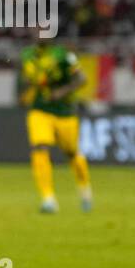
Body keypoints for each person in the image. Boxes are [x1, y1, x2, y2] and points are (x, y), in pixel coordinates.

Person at [18, 43, 91, 213]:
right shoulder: (27, 55)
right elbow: (28, 80)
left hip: (64, 113)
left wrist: (61, 92)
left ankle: (85, 190)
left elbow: (82, 79)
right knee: (39, 148)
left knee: (72, 153)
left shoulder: (63, 55)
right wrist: (25, 93)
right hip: (40, 110)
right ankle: (48, 199)